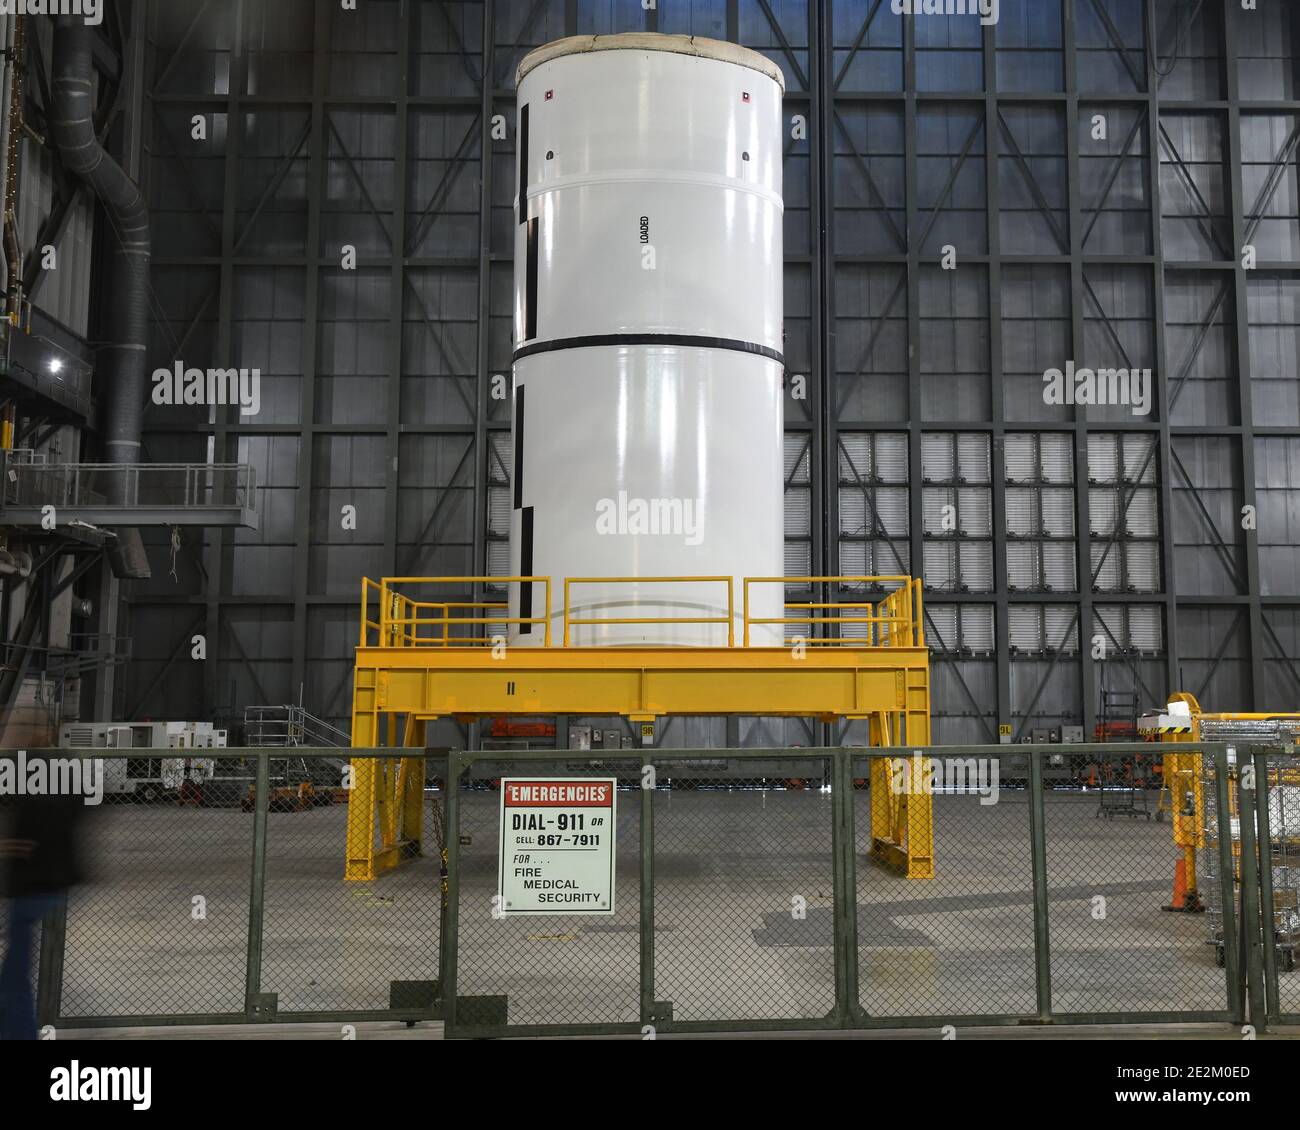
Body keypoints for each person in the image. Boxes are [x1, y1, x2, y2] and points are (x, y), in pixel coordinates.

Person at [0, 791, 85, 1040]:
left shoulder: (39, 781)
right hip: (36, 890)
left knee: (15, 981)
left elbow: (27, 842)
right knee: (12, 978)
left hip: (32, 891)